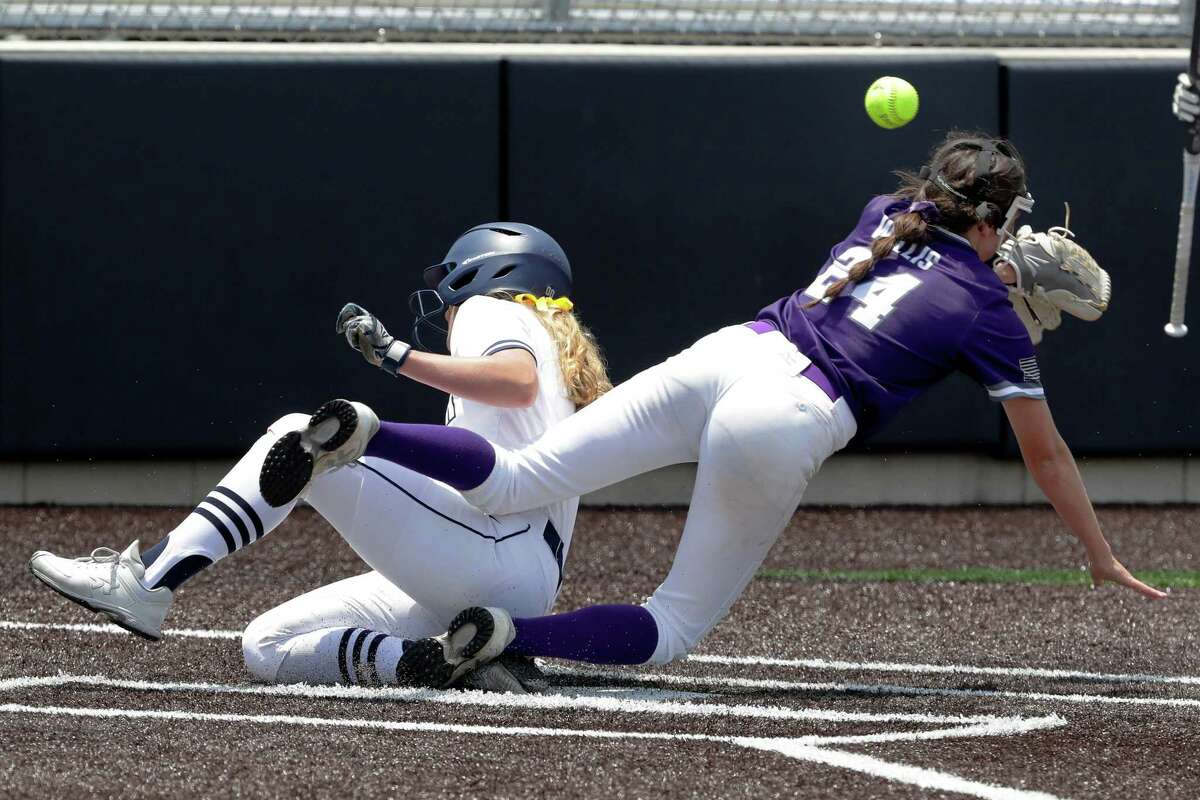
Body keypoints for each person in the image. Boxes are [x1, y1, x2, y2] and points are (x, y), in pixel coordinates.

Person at [267, 131, 1164, 685]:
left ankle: (373, 432)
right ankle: (507, 634)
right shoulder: (989, 316)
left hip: (732, 352)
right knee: (673, 625)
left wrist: (995, 261)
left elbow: (931, 263)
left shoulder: (885, 210)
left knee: (513, 480)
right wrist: (1102, 557)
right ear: (993, 222)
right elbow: (1044, 456)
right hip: (794, 412)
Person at [27, 222, 611, 692]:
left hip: (492, 554)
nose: (447, 310)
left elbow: (515, 380)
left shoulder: (498, 309)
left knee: (301, 433)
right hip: (506, 576)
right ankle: (433, 661)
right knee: (268, 645)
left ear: (480, 273)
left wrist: (396, 357)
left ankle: (148, 579)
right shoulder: (557, 349)